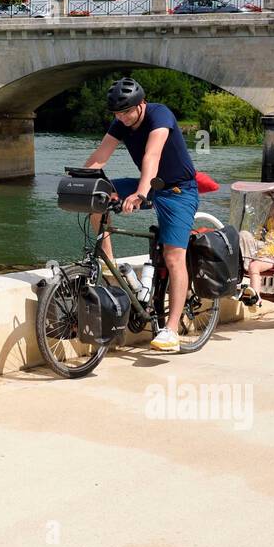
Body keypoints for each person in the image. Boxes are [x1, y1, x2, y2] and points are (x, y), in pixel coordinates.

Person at [83, 78, 199, 352]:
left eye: (126, 112)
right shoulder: (120, 123)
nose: (122, 118)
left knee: (173, 257)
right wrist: (78, 181)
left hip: (177, 189)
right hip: (146, 184)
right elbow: (100, 156)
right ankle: (109, 267)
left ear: (141, 104)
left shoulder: (160, 115)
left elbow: (152, 155)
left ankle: (171, 329)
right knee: (98, 196)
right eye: (116, 114)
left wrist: (141, 193)